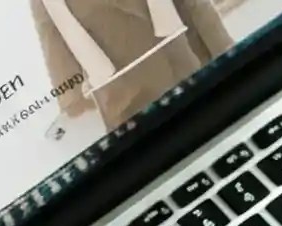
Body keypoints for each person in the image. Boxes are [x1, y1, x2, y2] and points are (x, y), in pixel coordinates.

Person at [31, 0, 235, 129]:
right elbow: (52, 43)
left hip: (181, 66)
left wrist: (225, 50)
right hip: (124, 101)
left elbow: (193, 5)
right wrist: (73, 102)